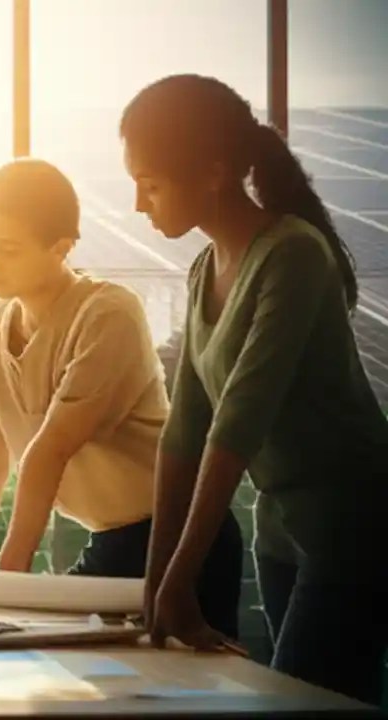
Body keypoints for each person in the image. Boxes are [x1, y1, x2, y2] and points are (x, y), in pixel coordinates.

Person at [120, 73, 388, 704]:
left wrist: (182, 579)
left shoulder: (293, 254)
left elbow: (237, 423)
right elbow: (183, 431)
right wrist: (155, 584)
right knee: (295, 692)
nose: (138, 204)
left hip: (353, 524)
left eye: (150, 184)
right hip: (281, 525)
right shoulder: (201, 268)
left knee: (308, 701)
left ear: (213, 173)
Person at [0, 159, 242, 641]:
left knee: (194, 690)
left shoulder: (109, 313)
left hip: (181, 539)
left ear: (61, 248)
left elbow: (50, 450)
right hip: (109, 540)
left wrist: (5, 584)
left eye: (9, 248)